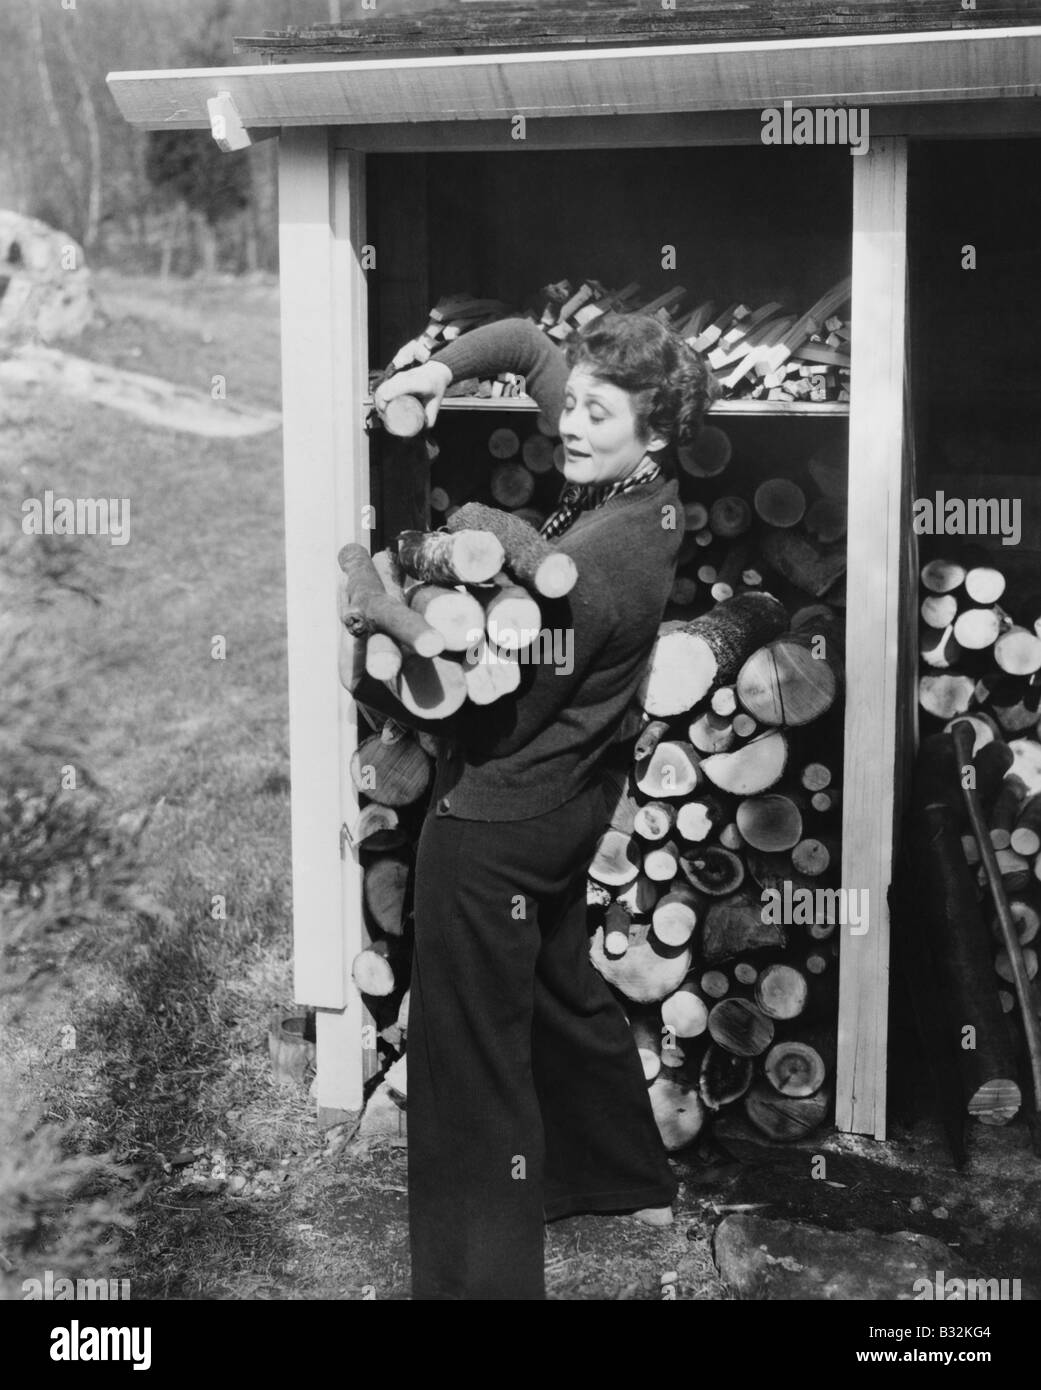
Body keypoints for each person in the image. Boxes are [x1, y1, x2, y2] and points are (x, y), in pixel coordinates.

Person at [352, 314, 716, 1300]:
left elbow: (499, 716)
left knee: (468, 1063)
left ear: (655, 432)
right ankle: (618, 1177)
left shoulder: (606, 558)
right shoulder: (637, 476)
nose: (573, 425)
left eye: (600, 414)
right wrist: (436, 370)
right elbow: (524, 344)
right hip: (572, 799)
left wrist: (399, 649)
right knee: (559, 986)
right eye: (577, 404)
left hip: (501, 820)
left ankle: (478, 1282)